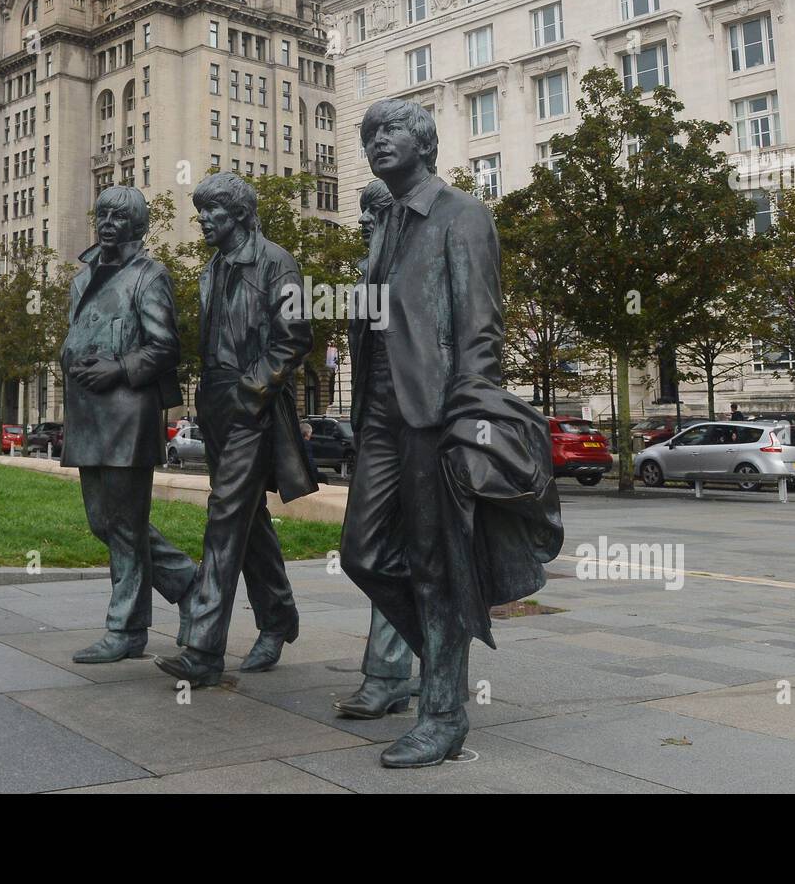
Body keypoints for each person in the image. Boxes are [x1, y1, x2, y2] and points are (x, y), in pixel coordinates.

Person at [341, 98, 556, 768]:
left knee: (437, 567)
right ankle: (440, 660)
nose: (379, 141)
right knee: (363, 553)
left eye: (393, 131)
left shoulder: (462, 216)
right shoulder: (386, 227)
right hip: (378, 413)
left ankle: (442, 712)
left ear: (424, 142)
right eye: (371, 134)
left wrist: (470, 417)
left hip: (435, 413)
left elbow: (480, 329)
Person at [155, 172, 318, 688]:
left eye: (213, 212)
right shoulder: (210, 271)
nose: (203, 220)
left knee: (224, 515)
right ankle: (279, 617)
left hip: (255, 404)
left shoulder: (277, 262)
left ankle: (203, 649)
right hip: (217, 405)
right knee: (248, 519)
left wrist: (252, 391)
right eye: (201, 211)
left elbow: (295, 338)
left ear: (241, 215)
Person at [60, 186, 199, 664]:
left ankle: (125, 628)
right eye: (103, 214)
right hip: (86, 412)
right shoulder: (81, 279)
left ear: (138, 225)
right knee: (106, 522)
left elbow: (165, 346)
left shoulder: (150, 275)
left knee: (122, 522)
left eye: (120, 216)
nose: (108, 222)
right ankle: (189, 584)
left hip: (127, 411)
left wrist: (117, 368)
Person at [333, 178, 416, 721]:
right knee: (364, 549)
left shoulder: (423, 262)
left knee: (418, 551)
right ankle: (427, 651)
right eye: (363, 213)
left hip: (423, 423)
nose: (364, 221)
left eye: (376, 212)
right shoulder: (365, 275)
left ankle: (390, 674)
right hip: (377, 425)